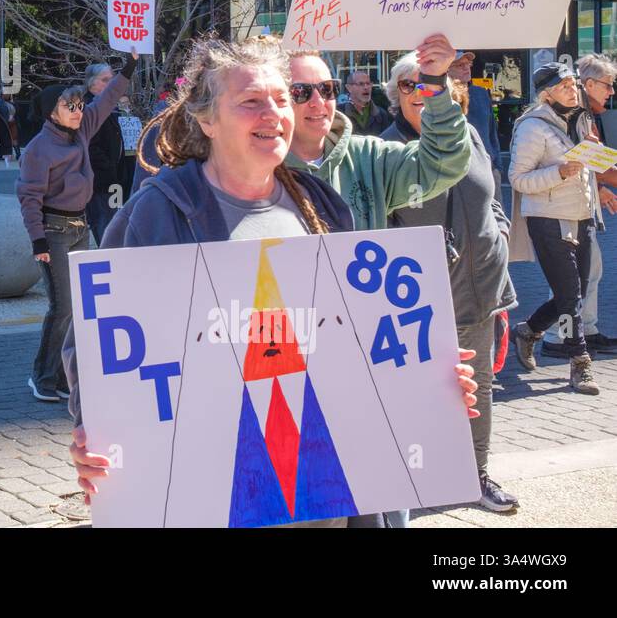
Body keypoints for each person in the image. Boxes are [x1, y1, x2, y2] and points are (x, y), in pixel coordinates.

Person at [65, 36, 480, 525]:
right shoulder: (159, 212)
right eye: (250, 102)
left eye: (281, 99)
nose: (273, 114)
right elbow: (96, 345)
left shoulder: (321, 205)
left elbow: (356, 340)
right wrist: (98, 429)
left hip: (320, 493)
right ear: (206, 119)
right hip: (211, 495)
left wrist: (426, 380)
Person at [381, 53, 519, 512]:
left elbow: (493, 193)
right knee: (421, 389)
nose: (419, 93)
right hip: (418, 301)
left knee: (477, 387)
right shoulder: (385, 151)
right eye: (408, 86)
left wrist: (498, 232)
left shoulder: (472, 135)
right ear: (395, 95)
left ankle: (475, 475)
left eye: (428, 85)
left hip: (479, 287)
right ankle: (414, 475)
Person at [20, 50, 137, 402]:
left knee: (79, 307)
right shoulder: (39, 148)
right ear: (52, 111)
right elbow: (28, 196)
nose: (77, 111)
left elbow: (108, 98)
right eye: (68, 106)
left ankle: (60, 374)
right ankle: (42, 376)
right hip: (53, 230)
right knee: (62, 307)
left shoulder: (82, 129)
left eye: (78, 105)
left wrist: (128, 68)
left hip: (79, 227)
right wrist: (38, 241)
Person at [281, 36, 470, 233]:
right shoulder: (260, 168)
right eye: (301, 92)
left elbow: (444, 163)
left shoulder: (370, 158)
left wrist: (434, 80)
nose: (318, 101)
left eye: (327, 89)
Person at [508, 62, 606, 395]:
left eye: (573, 84)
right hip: (548, 219)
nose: (573, 90)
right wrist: (560, 173)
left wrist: (597, 157)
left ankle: (529, 330)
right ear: (547, 93)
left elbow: (588, 166)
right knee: (569, 295)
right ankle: (580, 364)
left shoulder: (581, 119)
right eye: (565, 86)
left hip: (583, 215)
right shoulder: (531, 127)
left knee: (574, 292)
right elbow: (518, 179)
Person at [542, 53, 617, 356]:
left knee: (590, 269)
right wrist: (604, 181)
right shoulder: (575, 114)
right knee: (570, 276)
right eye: (607, 86)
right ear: (588, 84)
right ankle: (555, 336)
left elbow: (591, 162)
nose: (611, 92)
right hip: (561, 208)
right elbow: (596, 161)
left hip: (576, 206)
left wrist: (600, 188)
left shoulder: (582, 114)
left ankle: (587, 329)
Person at [83, 63, 125, 244]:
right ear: (92, 83)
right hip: (101, 181)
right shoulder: (88, 107)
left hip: (114, 177)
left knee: (114, 222)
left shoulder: (111, 107)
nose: (110, 84)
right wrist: (109, 170)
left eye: (111, 80)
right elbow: (91, 146)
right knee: (106, 225)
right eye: (105, 80)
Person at [449, 51, 500, 177]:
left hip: (488, 170)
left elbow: (492, 132)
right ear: (446, 70)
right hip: (455, 173)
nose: (467, 68)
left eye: (468, 64)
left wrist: (497, 167)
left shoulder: (481, 93)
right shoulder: (440, 97)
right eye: (460, 65)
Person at [343, 69, 392, 136]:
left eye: (368, 84)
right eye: (361, 84)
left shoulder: (381, 114)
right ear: (349, 88)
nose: (366, 87)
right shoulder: (340, 113)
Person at [116, 95, 143, 198]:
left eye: (126, 102)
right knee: (123, 178)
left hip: (132, 153)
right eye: (122, 103)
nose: (125, 105)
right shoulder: (116, 116)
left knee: (131, 178)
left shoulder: (133, 117)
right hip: (121, 153)